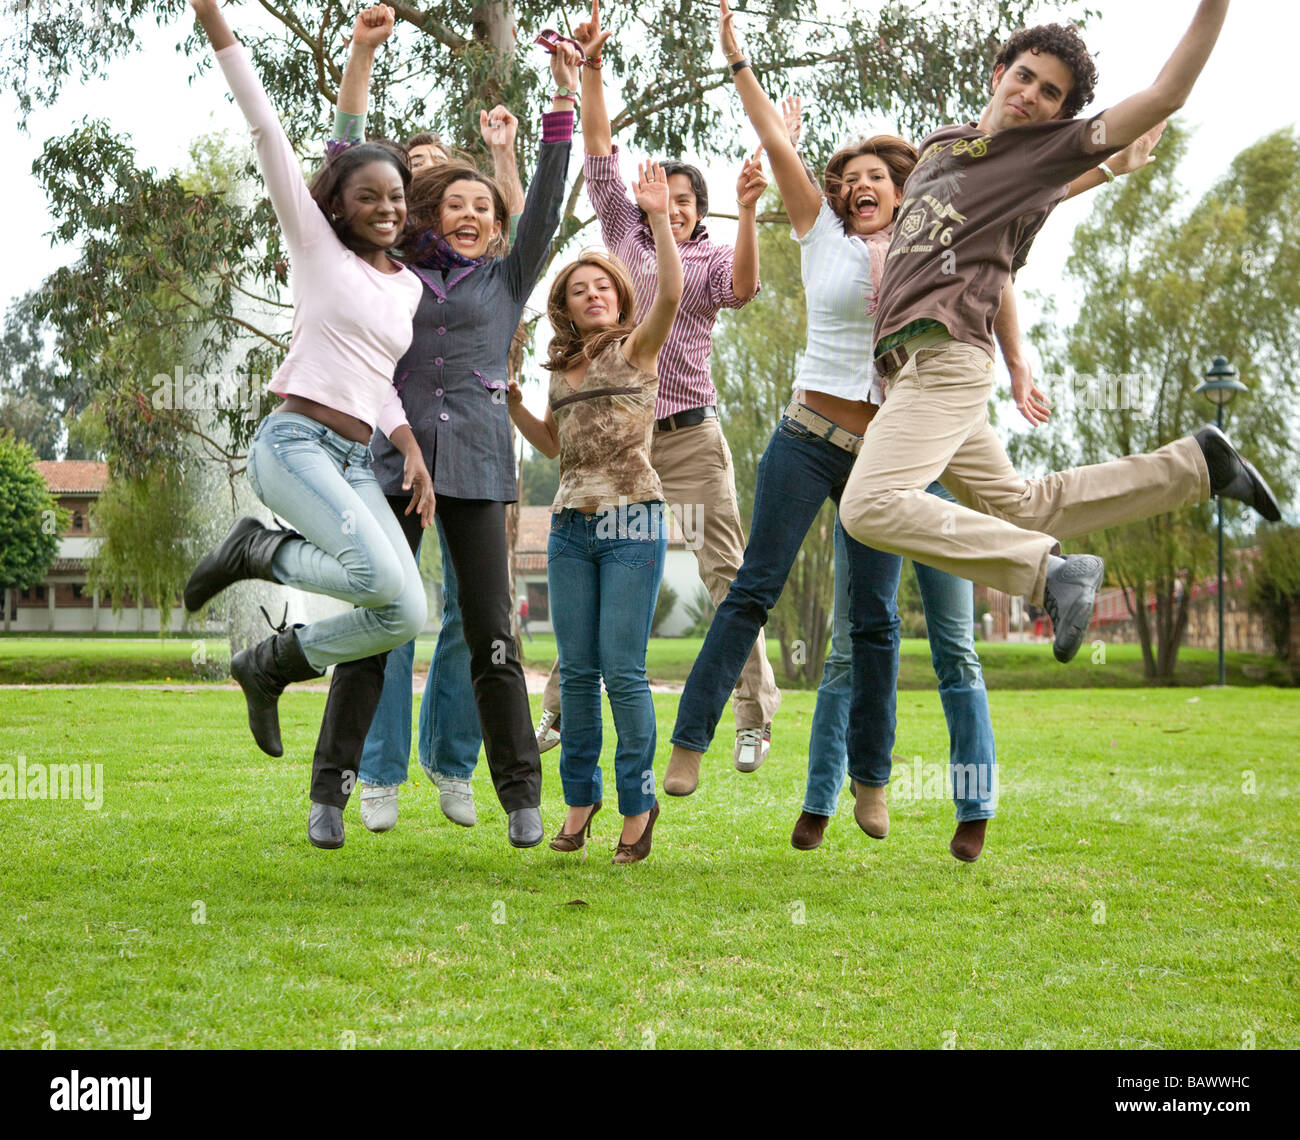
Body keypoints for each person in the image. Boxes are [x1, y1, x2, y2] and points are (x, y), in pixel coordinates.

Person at [837, 0, 1280, 665]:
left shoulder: (1038, 151)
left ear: (1059, 114)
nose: (1033, 95)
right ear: (997, 73)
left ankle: (1050, 575)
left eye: (1052, 94)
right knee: (1023, 508)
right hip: (919, 370)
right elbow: (1010, 212)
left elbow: (1166, 94)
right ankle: (1198, 464)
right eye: (1026, 77)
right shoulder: (940, 148)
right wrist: (1103, 173)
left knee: (868, 507)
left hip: (945, 359)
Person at [300, 4, 583, 850]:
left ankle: (519, 794)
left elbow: (546, 199)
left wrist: (563, 95)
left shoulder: (508, 280)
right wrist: (362, 58)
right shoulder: (389, 274)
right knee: (376, 619)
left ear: (496, 225)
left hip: (479, 472)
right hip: (387, 467)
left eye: (481, 208)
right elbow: (341, 168)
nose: (468, 215)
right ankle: (333, 790)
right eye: (452, 204)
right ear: (429, 215)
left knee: (492, 630)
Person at [181, 0, 435, 850]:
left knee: (404, 612)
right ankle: (257, 549)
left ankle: (270, 663)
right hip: (294, 443)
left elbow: (380, 382)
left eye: (397, 196)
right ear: (340, 204)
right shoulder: (314, 246)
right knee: (371, 575)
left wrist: (405, 444)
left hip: (362, 455)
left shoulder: (405, 286)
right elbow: (268, 129)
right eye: (369, 195)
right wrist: (218, 22)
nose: (387, 206)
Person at [531, 0, 782, 776]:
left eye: (683, 202)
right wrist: (593, 69)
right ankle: (559, 710)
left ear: (694, 212)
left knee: (725, 574)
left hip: (688, 438)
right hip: (615, 452)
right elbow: (599, 151)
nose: (668, 208)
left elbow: (742, 287)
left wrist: (744, 214)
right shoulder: (625, 242)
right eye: (659, 198)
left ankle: (752, 716)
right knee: (594, 573)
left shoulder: (702, 260)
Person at [507, 162, 684, 864]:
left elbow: (670, 292)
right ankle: (580, 799)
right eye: (580, 290)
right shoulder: (562, 370)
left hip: (632, 519)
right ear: (568, 307)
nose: (592, 295)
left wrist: (661, 219)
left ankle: (639, 808)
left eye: (602, 285)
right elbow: (554, 444)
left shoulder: (636, 349)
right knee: (575, 672)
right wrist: (515, 402)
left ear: (618, 297)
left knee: (622, 668)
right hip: (572, 525)